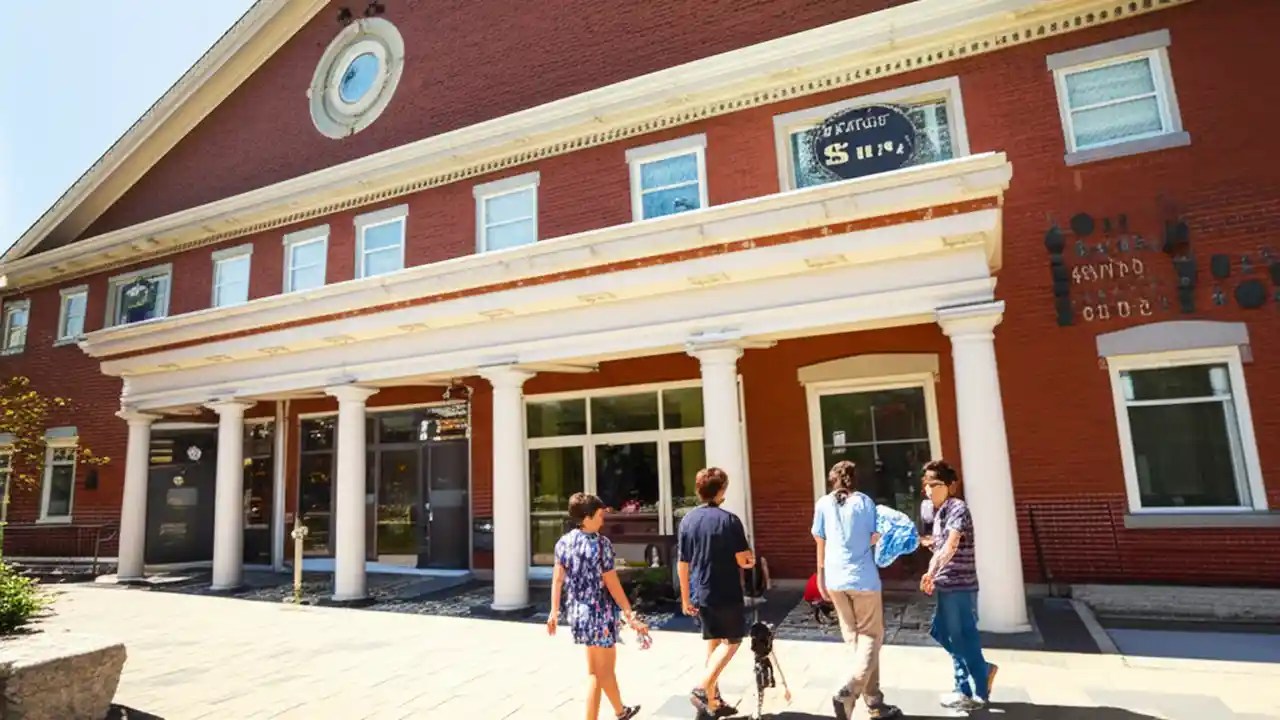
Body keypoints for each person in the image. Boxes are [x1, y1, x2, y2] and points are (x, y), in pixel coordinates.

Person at [812, 460, 903, 720]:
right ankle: (849, 691)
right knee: (872, 637)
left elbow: (820, 541)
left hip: (835, 578)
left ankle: (874, 701)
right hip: (863, 578)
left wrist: (820, 576)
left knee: (855, 640)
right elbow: (876, 537)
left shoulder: (823, 504)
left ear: (832, 480)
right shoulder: (865, 503)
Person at [547, 492, 645, 720]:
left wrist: (554, 611)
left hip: (578, 614)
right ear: (587, 517)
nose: (603, 520)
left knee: (596, 671)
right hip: (600, 613)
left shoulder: (563, 542)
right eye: (600, 515)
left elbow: (558, 580)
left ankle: (621, 711)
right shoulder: (601, 545)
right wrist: (628, 612)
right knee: (602, 673)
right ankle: (608, 715)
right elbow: (612, 582)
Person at [919, 460, 998, 711]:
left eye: (935, 484)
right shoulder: (939, 512)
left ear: (950, 486)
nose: (930, 490)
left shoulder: (957, 508)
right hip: (945, 583)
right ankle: (967, 684)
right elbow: (940, 546)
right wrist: (925, 547)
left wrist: (931, 570)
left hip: (960, 584)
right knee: (942, 632)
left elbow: (951, 545)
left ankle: (978, 691)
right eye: (926, 485)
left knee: (963, 636)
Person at [678, 467, 755, 718]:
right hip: (726, 589)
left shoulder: (688, 520)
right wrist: (750, 561)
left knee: (713, 642)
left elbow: (683, 562)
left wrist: (685, 596)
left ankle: (713, 702)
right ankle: (701, 689)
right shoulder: (729, 520)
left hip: (701, 590)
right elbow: (743, 559)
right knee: (732, 641)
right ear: (721, 490)